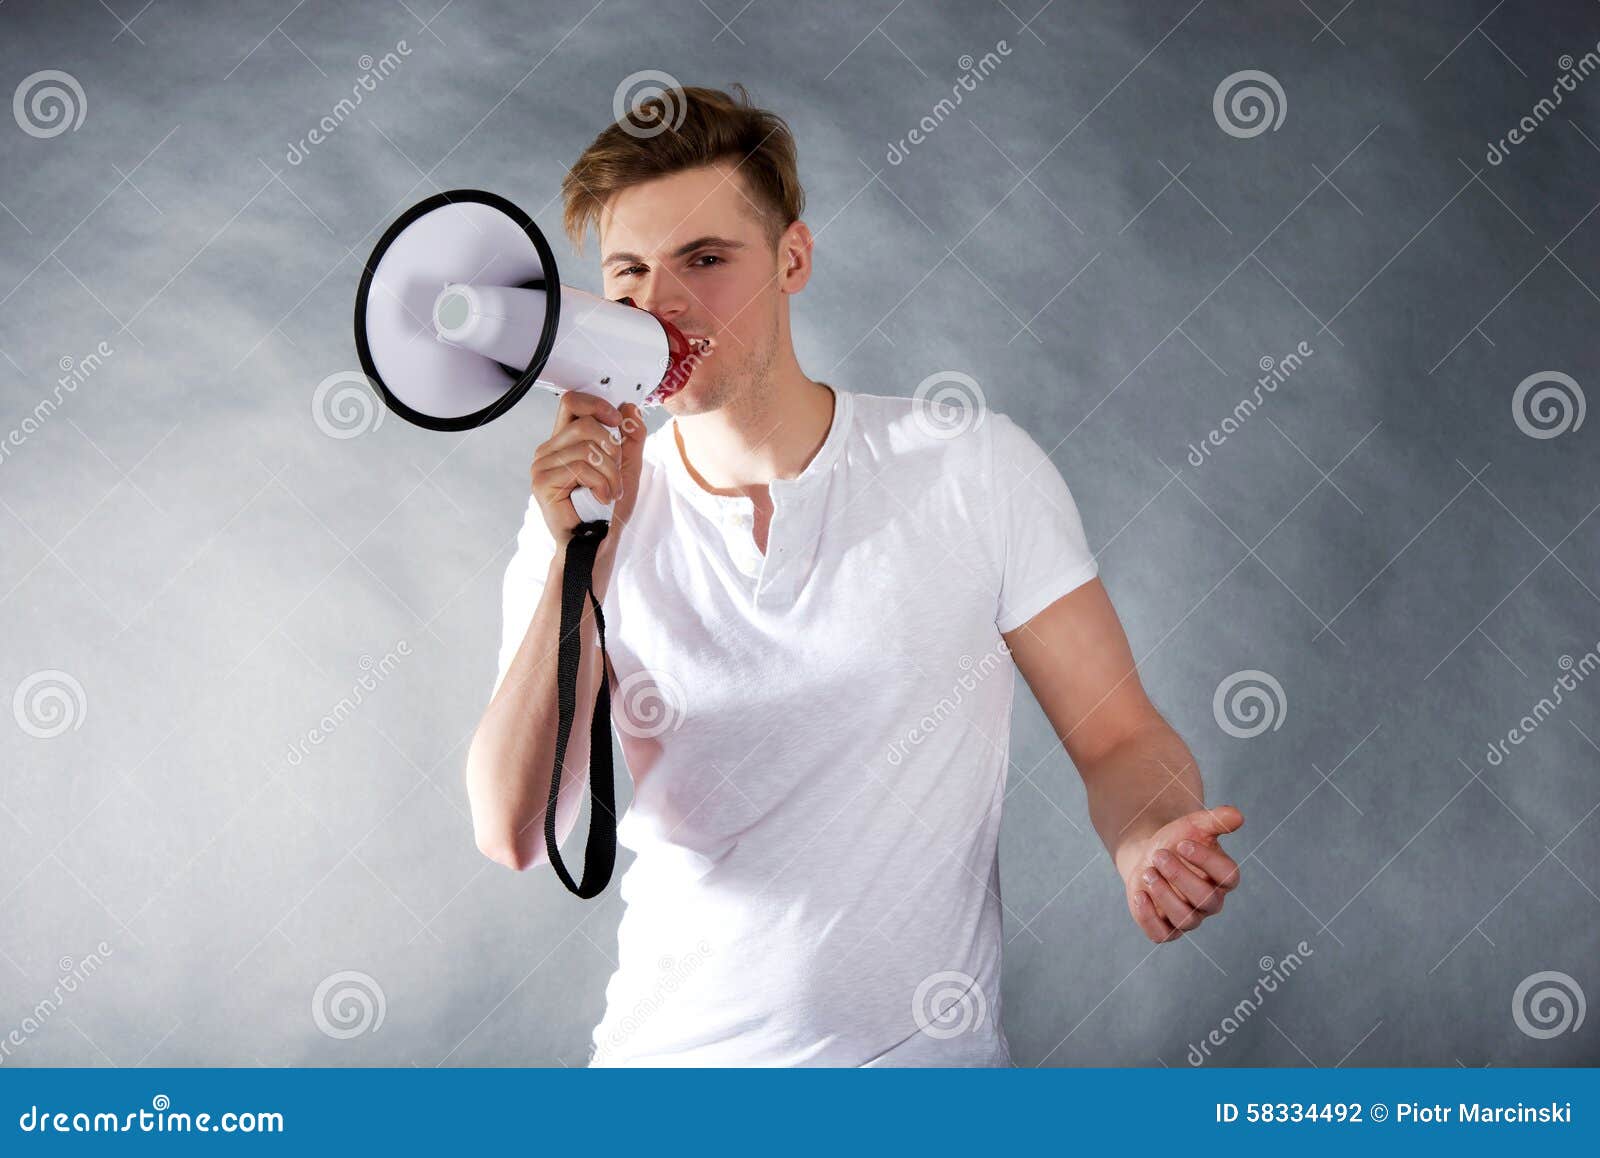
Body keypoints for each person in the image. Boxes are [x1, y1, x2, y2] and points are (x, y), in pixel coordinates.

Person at [464, 84, 1244, 1067]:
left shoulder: (972, 467)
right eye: (629, 275)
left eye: (704, 261)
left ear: (792, 258)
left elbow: (1120, 735)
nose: (662, 306)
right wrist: (582, 558)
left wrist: (1149, 834)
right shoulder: (578, 519)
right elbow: (511, 829)